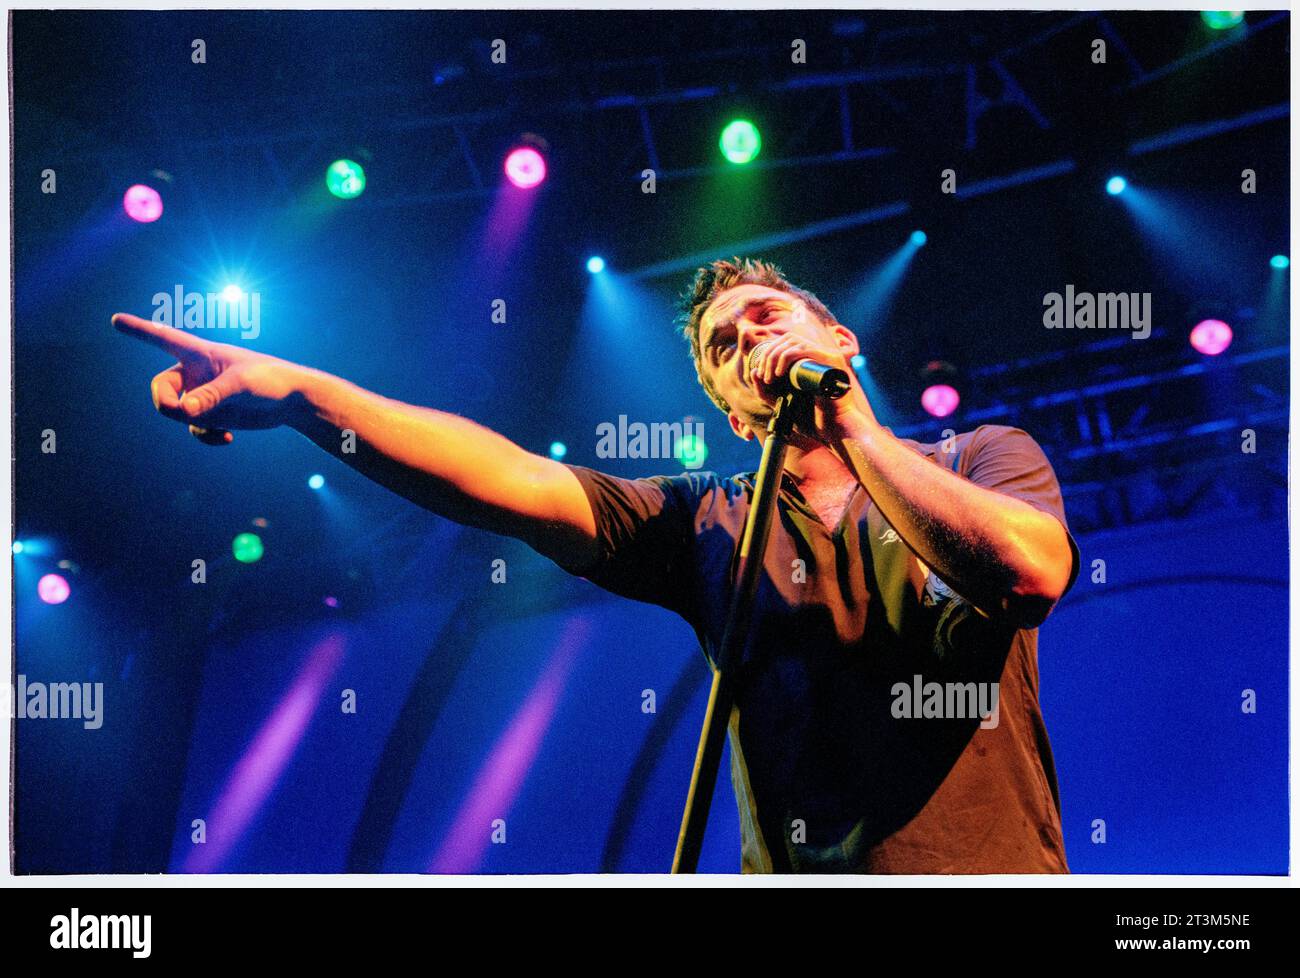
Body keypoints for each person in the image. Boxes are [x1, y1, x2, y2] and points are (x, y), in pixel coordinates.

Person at [115, 256, 1079, 873]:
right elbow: (505, 478)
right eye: (725, 346)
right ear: (734, 412)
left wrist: (853, 426)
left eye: (769, 316)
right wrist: (300, 395)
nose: (753, 340)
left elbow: (1029, 574)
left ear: (839, 339)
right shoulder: (705, 524)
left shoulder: (979, 459)